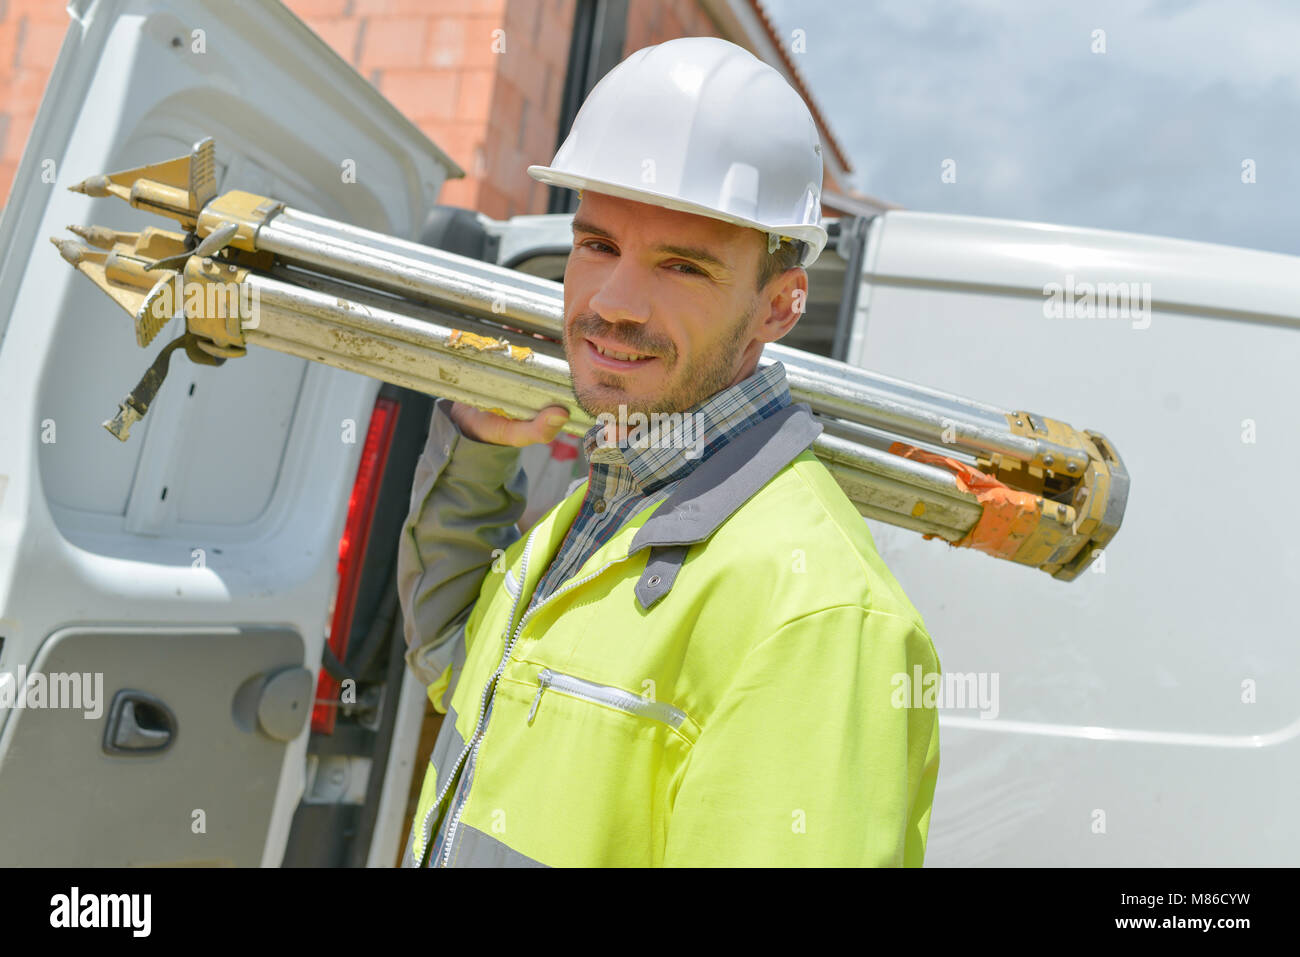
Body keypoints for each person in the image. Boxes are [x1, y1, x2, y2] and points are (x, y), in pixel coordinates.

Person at [398, 36, 940, 868]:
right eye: (599, 245)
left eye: (681, 266)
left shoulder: (819, 614)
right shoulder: (607, 505)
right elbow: (466, 674)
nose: (611, 304)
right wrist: (473, 455)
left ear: (779, 307)